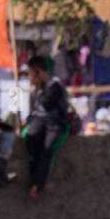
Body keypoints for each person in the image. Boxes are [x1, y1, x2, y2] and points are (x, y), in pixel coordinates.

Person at [24, 55, 71, 197]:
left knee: (47, 149)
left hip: (55, 122)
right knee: (32, 139)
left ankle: (36, 184)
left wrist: (38, 85)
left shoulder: (54, 85)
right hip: (39, 120)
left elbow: (46, 103)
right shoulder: (35, 88)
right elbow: (34, 109)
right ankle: (38, 181)